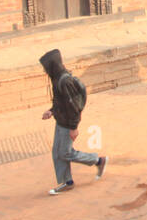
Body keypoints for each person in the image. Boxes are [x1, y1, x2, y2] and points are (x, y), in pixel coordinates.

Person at [39, 49, 106, 195]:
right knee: (57, 152)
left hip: (67, 123)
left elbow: (74, 106)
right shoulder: (56, 79)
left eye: (46, 67)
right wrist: (52, 111)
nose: (44, 70)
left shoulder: (65, 81)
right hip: (60, 120)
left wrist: (74, 127)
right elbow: (60, 101)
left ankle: (98, 161)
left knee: (65, 153)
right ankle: (67, 182)